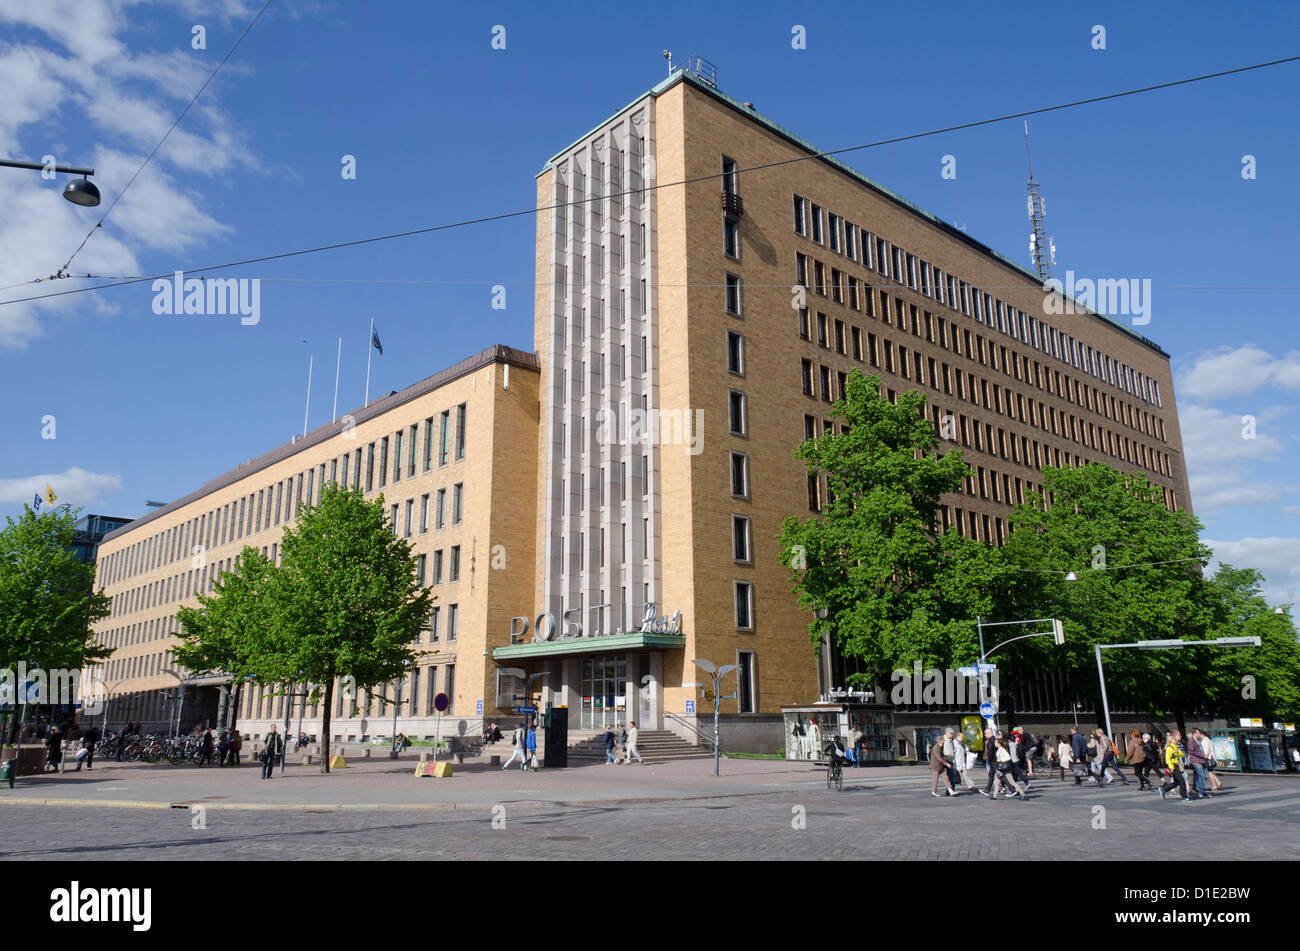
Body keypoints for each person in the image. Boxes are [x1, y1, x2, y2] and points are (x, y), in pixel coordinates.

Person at [993, 735, 1028, 800]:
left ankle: (1023, 794)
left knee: (1012, 782)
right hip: (1001, 769)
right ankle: (994, 796)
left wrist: (1000, 760)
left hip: (1004, 769)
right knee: (997, 782)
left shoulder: (1002, 750)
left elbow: (1008, 757)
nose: (994, 743)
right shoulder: (1000, 749)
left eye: (995, 742)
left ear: (999, 744)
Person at [1159, 730, 1191, 802]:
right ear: (1171, 740)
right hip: (1173, 766)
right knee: (1182, 781)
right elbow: (1167, 759)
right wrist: (1171, 768)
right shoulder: (1169, 748)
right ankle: (1184, 797)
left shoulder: (1175, 747)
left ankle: (1164, 789)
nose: (1176, 740)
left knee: (1177, 782)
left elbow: (1182, 754)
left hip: (1177, 765)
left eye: (1176, 739)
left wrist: (1178, 752)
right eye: (1175, 739)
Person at [929, 728, 959, 797]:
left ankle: (951, 791)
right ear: (938, 742)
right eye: (941, 743)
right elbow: (938, 757)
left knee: (946, 779)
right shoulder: (936, 748)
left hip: (941, 766)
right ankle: (934, 792)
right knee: (935, 780)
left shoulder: (940, 747)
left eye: (943, 743)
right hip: (935, 767)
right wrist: (946, 763)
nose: (942, 744)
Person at [1186, 728, 1211, 798]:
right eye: (1198, 733)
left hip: (1201, 760)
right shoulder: (1191, 740)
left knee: (1197, 776)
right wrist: (1202, 755)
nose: (1199, 734)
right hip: (1196, 761)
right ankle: (1201, 792)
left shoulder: (1198, 740)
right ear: (1194, 733)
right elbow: (1191, 751)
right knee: (1202, 776)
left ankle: (1195, 789)